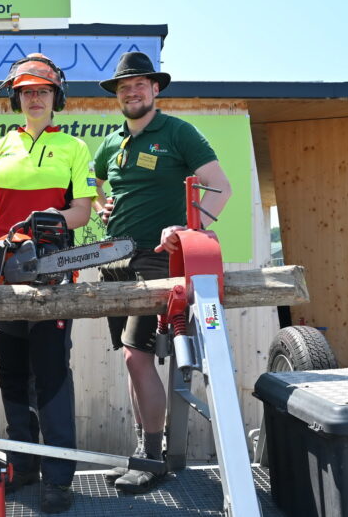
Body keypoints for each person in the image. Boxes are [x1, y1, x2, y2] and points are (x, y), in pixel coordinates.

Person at [92, 52, 231, 494]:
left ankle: (152, 458)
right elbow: (98, 188)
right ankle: (144, 452)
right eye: (124, 87)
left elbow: (221, 187)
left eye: (139, 85)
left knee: (138, 357)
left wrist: (190, 229)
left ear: (155, 89)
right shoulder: (111, 143)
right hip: (114, 262)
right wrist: (101, 207)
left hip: (157, 261)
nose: (131, 92)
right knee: (133, 362)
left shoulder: (178, 132)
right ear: (117, 95)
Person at [0, 54, 95, 514]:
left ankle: (58, 476)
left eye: (41, 91)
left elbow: (83, 208)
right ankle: (23, 466)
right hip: (3, 276)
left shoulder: (74, 148)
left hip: (53, 275)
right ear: (16, 97)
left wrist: (49, 219)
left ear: (55, 96)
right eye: (26, 91)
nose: (34, 98)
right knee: (13, 376)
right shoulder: (0, 148)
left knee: (52, 376)